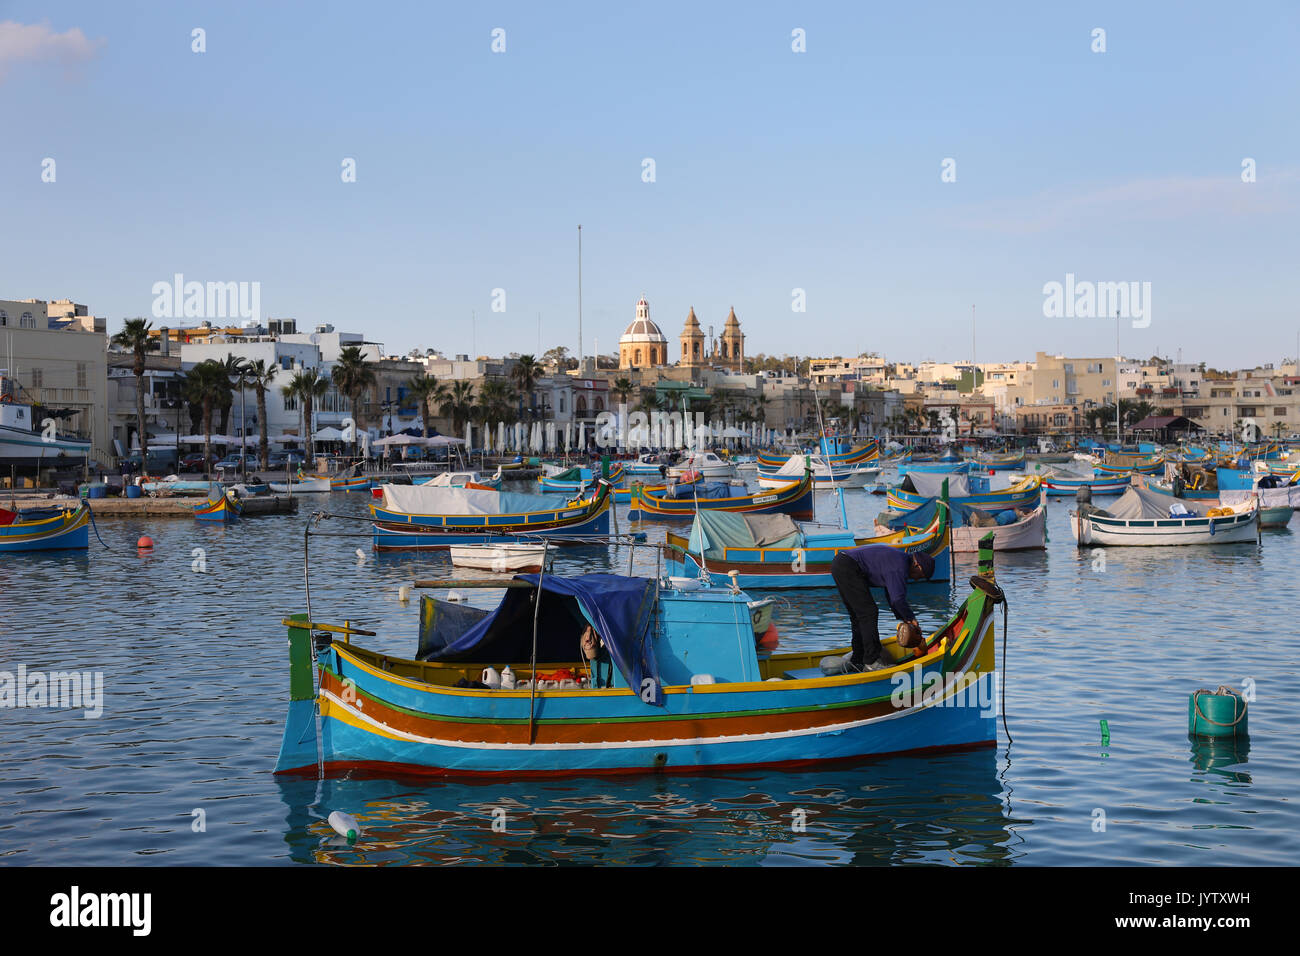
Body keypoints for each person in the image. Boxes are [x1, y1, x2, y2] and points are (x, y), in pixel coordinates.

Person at [822, 546, 936, 675]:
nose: (916, 579)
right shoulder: (900, 566)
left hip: (841, 563)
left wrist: (903, 617)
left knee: (858, 616)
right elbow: (897, 599)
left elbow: (891, 595)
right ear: (917, 565)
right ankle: (871, 662)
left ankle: (858, 659)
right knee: (868, 613)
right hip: (848, 566)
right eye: (920, 576)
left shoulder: (898, 561)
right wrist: (911, 618)